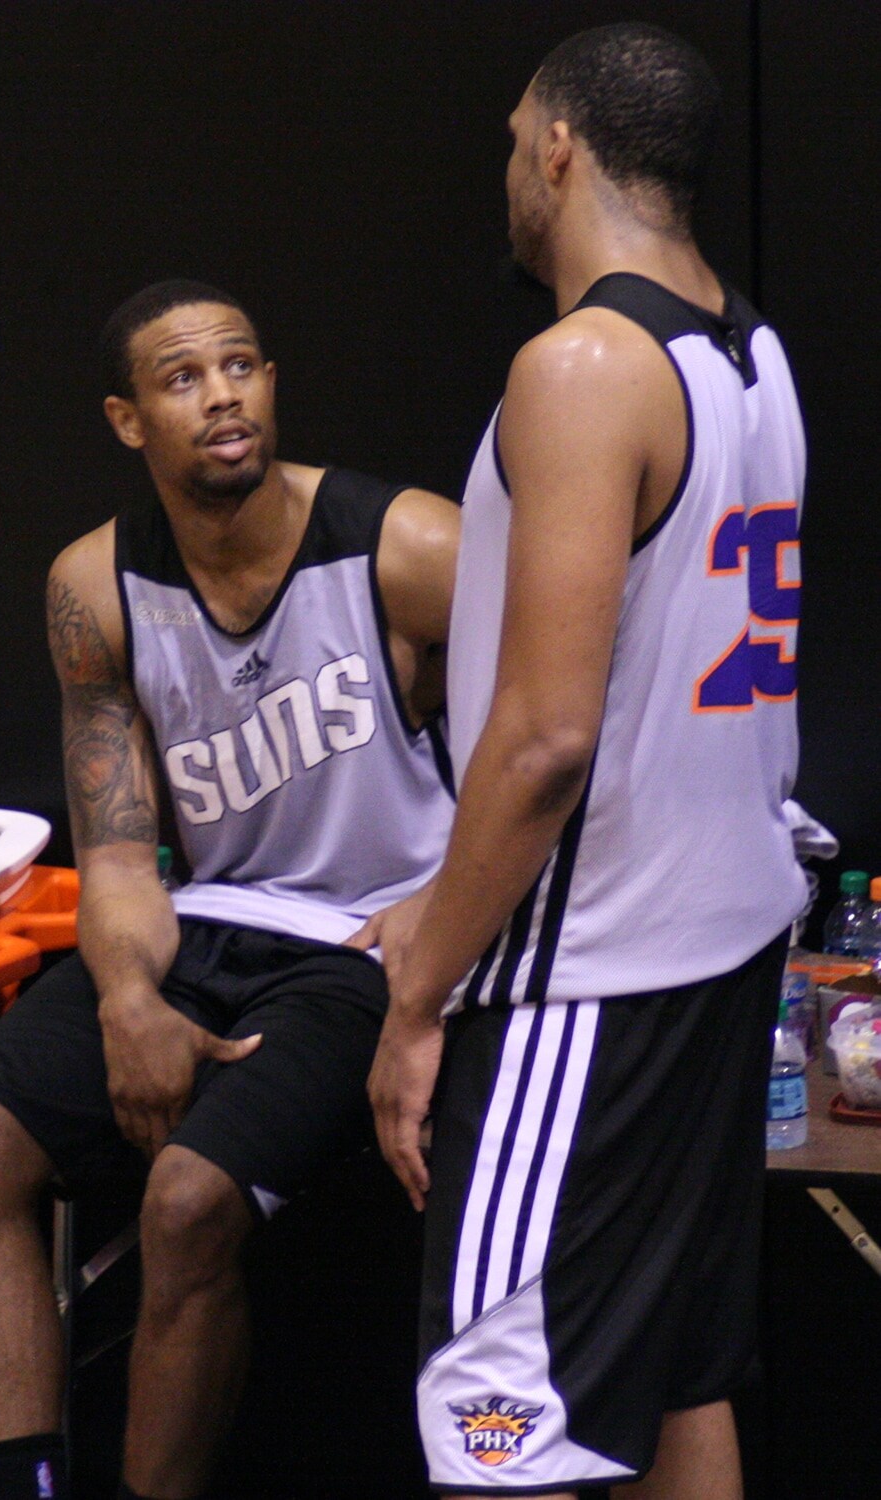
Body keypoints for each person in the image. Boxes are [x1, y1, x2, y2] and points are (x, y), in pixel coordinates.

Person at [352, 23, 807, 1500]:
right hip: (721, 952)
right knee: (679, 1378)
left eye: (508, 142)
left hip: (586, 986)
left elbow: (546, 742)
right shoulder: (754, 347)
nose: (505, 176)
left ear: (560, 144)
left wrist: (419, 999)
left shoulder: (582, 365)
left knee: (503, 1439)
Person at [0, 278, 459, 1500]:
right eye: (183, 377)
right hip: (212, 923)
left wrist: (452, 902)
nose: (223, 395)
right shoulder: (94, 586)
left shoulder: (408, 546)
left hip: (366, 943)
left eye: (243, 366)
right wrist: (125, 1001)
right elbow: (113, 849)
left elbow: (580, 726)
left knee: (189, 1196)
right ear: (127, 420)